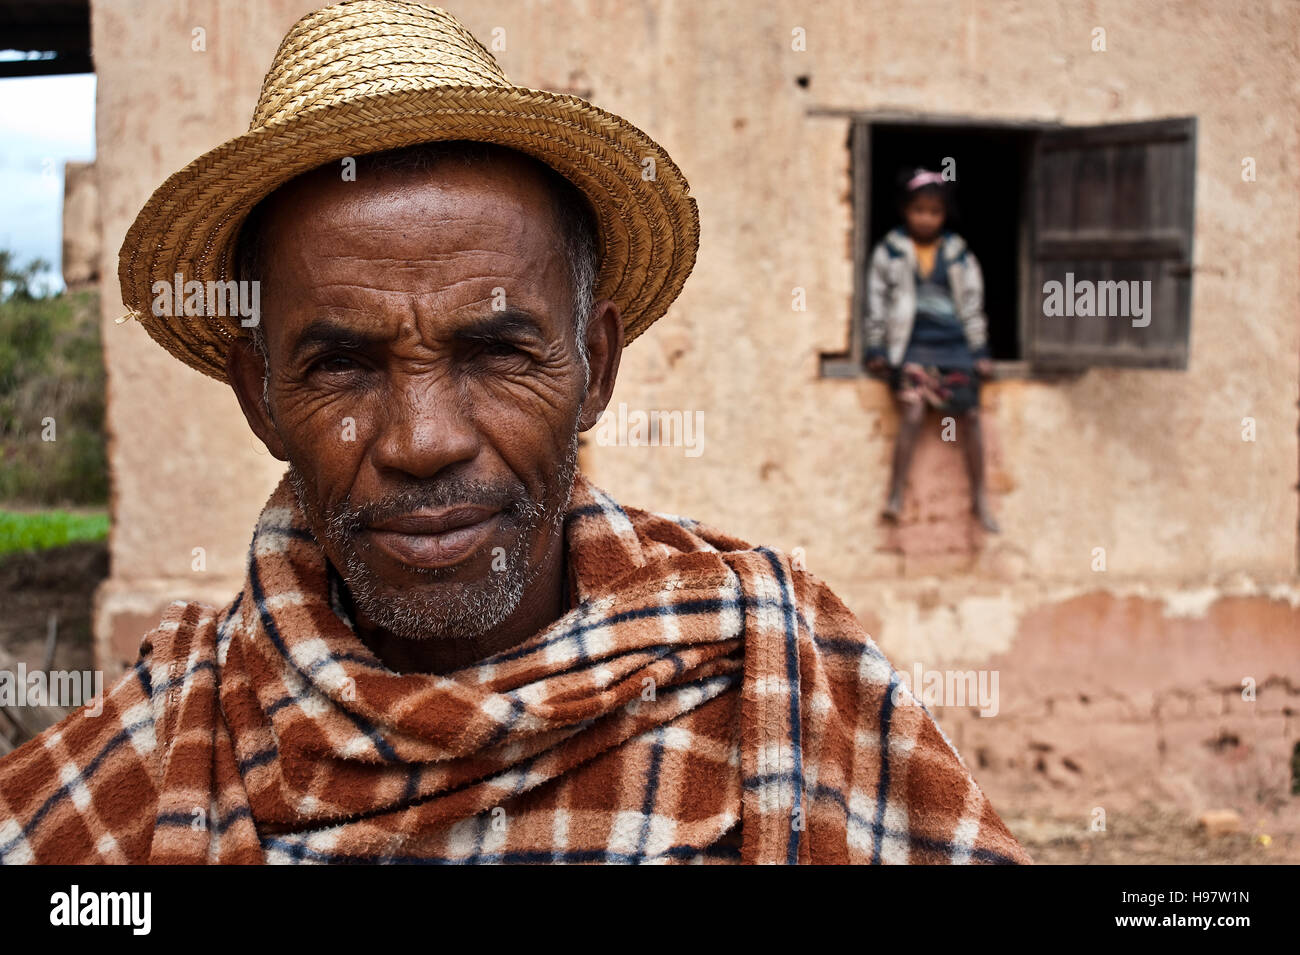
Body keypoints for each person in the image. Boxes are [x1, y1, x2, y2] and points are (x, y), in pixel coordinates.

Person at [0, 1, 1029, 865]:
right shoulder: (170, 737)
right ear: (261, 399)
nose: (424, 438)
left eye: (494, 351)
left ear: (597, 369)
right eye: (343, 363)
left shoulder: (771, 670)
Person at [865, 168, 1000, 533]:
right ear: (905, 210)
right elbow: (877, 302)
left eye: (934, 211)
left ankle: (980, 498)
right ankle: (895, 494)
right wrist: (876, 346)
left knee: (970, 416)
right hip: (910, 348)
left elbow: (972, 305)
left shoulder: (958, 254)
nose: (926, 218)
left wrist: (979, 350)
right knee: (912, 409)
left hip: (953, 348)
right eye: (919, 210)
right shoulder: (890, 251)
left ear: (945, 215)